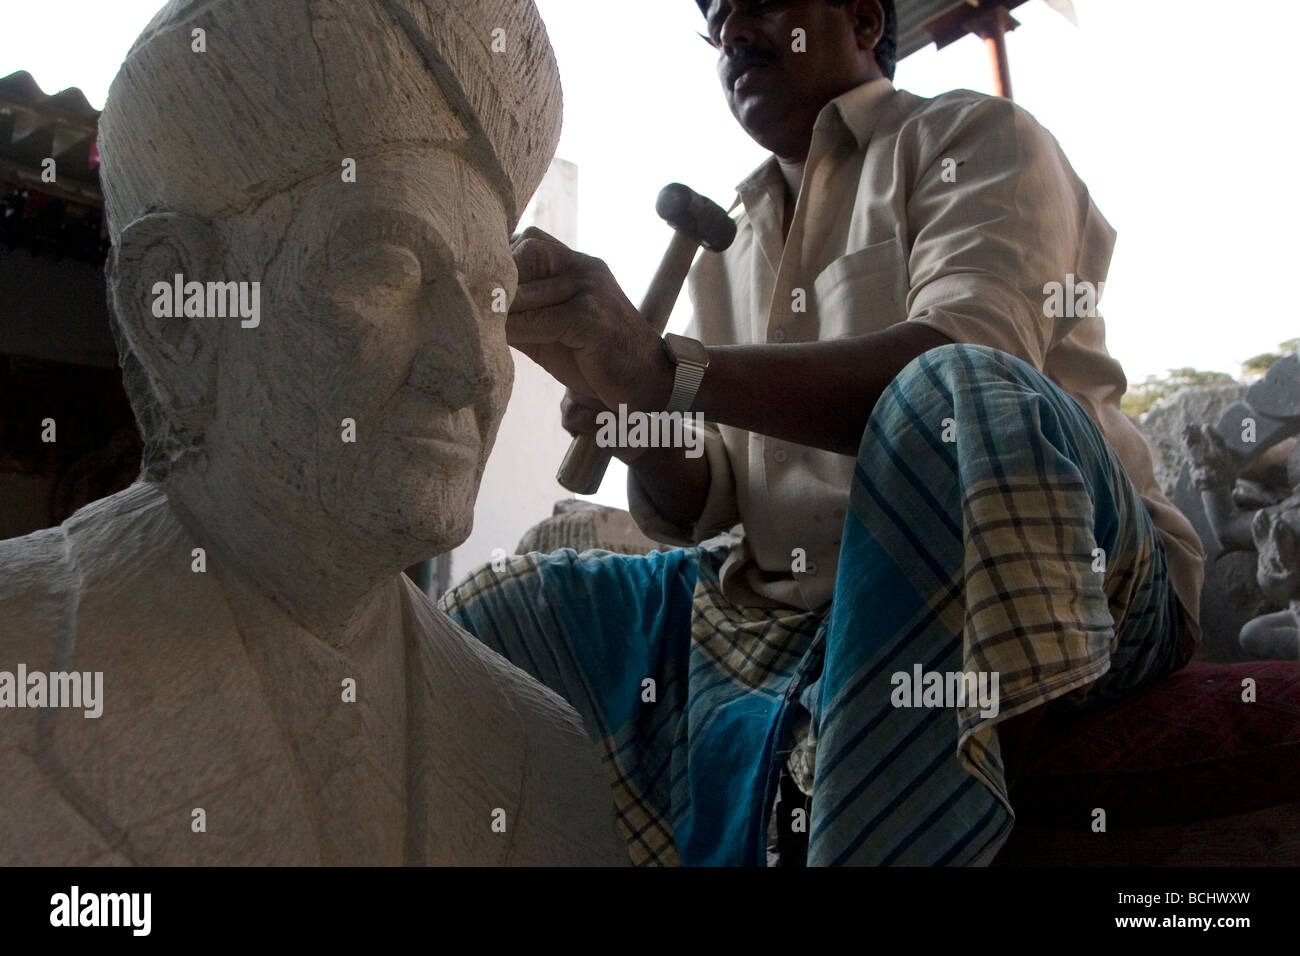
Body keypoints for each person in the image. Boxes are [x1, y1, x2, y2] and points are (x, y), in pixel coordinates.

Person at [439, 0, 1205, 866]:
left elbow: (970, 366)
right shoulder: (725, 243)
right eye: (715, 16)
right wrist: (641, 414)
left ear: (865, 20)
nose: (731, 29)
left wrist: (672, 371)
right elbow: (705, 502)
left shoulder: (978, 138)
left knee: (957, 393)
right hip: (792, 606)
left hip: (1069, 570)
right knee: (503, 615)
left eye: (759, 1)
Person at [0, 0, 627, 867]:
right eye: (388, 268)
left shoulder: (541, 753)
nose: (472, 370)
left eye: (490, 297)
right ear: (177, 310)